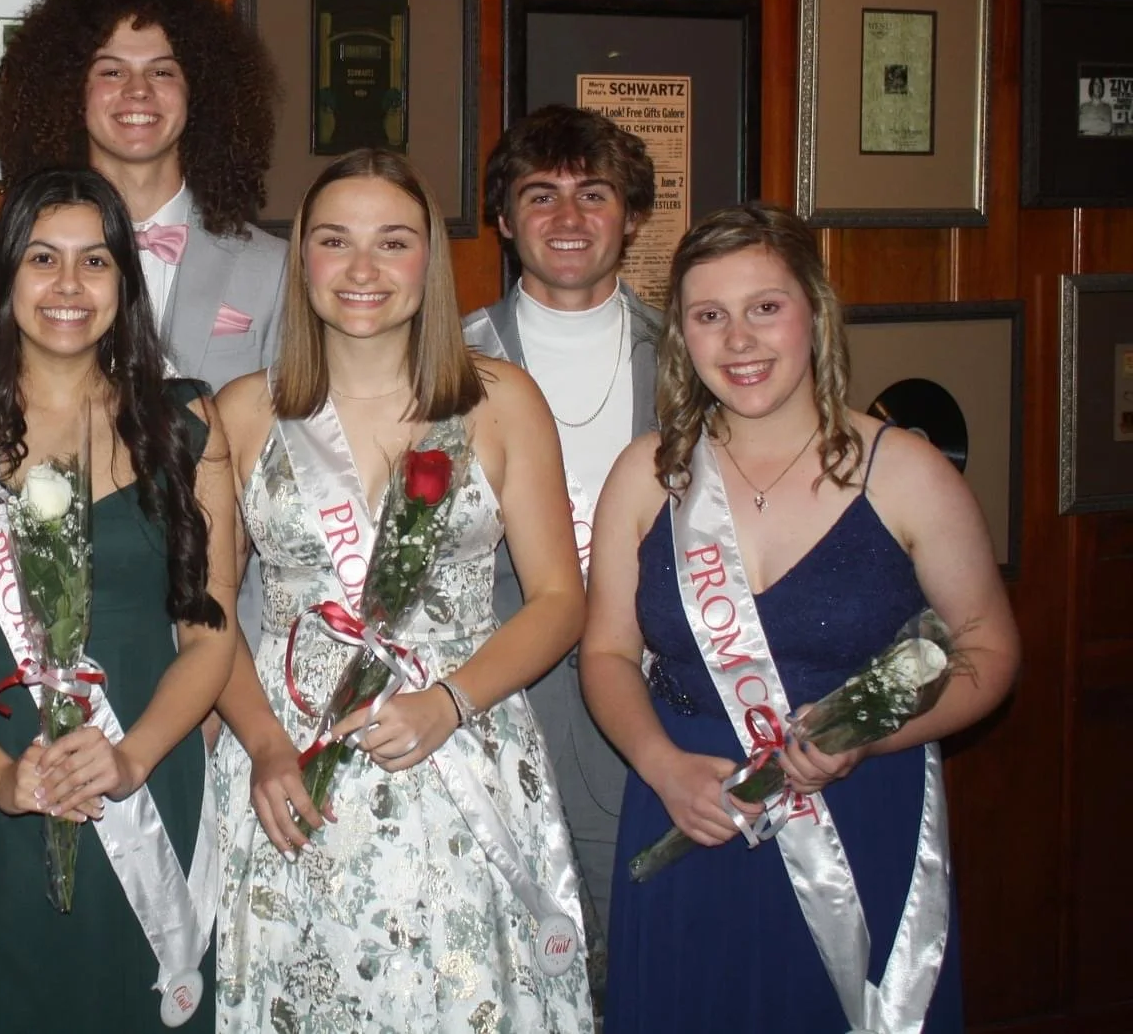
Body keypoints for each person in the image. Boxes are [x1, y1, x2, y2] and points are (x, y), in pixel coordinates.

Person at [583, 203, 1020, 1032]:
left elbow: (989, 650)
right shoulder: (646, 473)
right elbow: (605, 651)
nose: (738, 340)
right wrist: (663, 766)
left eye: (765, 308)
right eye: (710, 315)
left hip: (858, 817)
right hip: (692, 811)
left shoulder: (906, 471)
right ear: (682, 335)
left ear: (815, 313)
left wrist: (868, 737)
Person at [211, 148, 595, 1032]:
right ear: (301, 257)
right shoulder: (240, 413)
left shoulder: (501, 401)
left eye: (393, 242)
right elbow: (210, 611)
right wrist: (267, 746)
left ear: (430, 259)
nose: (362, 270)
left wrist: (449, 704)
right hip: (291, 755)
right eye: (335, 241)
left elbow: (557, 600)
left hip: (463, 740)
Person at [0, 167, 240, 1032]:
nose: (67, 285)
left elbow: (209, 637)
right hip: (0, 788)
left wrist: (133, 760)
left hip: (149, 776)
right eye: (43, 258)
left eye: (95, 261)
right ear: (4, 278)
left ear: (124, 282)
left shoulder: (186, 422)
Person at [0, 0, 286, 636]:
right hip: (45, 623)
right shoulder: (4, 267)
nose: (137, 90)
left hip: (229, 630)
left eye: (163, 70)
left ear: (201, 91)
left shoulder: (274, 268)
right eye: (110, 70)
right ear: (69, 92)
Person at [461, 104, 659, 987]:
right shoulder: (443, 362)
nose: (569, 218)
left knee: (640, 959)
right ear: (504, 219)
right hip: (492, 707)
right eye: (540, 195)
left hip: (651, 708)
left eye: (595, 193)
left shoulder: (698, 359)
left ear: (631, 214)